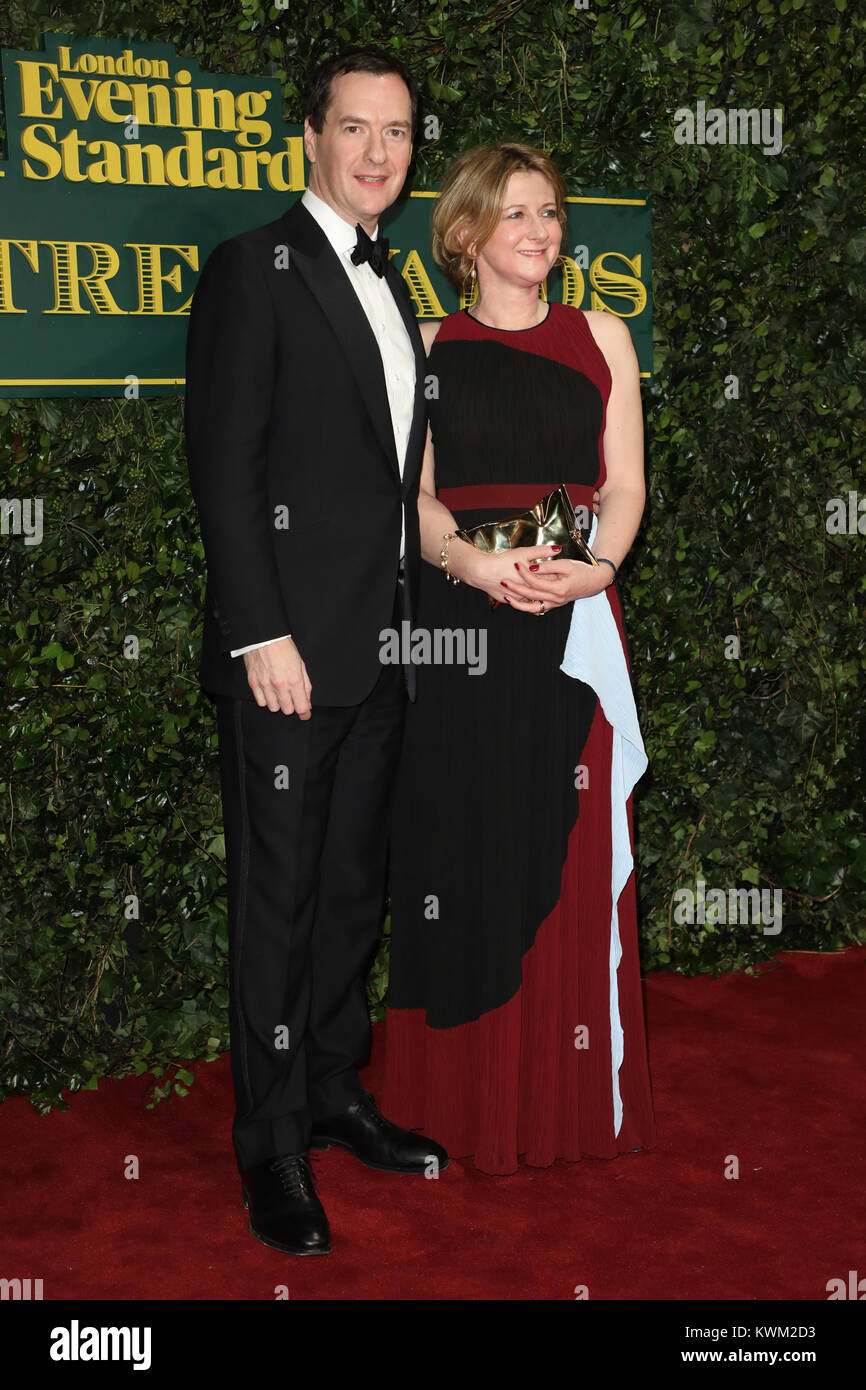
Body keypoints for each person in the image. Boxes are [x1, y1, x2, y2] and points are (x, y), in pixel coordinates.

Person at [185, 47, 447, 1257]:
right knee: (280, 902)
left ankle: (334, 1090)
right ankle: (271, 1141)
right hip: (288, 655)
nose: (378, 153)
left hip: (384, 648)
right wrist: (258, 633)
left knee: (351, 889)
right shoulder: (254, 268)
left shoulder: (392, 286)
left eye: (396, 132)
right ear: (309, 137)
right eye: (355, 128)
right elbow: (225, 472)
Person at [381, 143, 656, 1174]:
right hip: (458, 620)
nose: (539, 230)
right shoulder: (418, 345)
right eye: (513, 215)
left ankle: (564, 1107)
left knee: (565, 842)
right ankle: (452, 1105)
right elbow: (407, 495)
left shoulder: (602, 335)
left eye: (548, 212)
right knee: (455, 844)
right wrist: (466, 560)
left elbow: (621, 484)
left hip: (572, 620)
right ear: (463, 237)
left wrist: (598, 567)